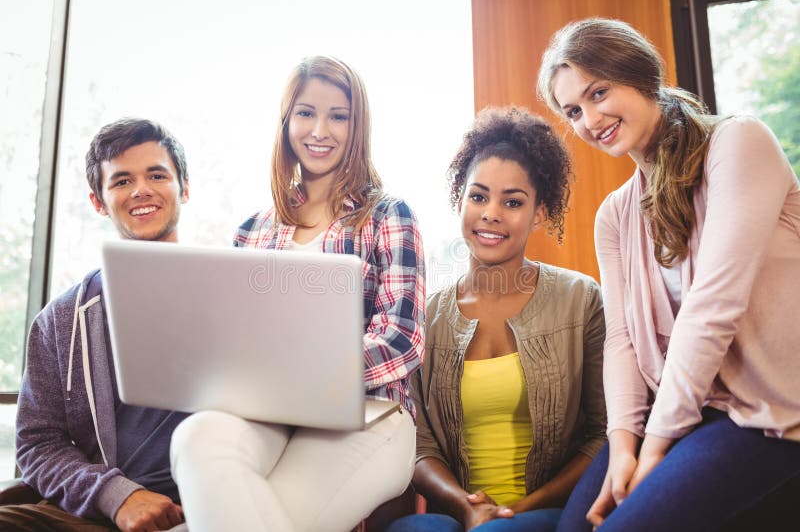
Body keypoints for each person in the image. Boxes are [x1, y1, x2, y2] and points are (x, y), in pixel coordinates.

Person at [537, 17, 800, 532]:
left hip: (772, 414)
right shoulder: (614, 215)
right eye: (573, 110)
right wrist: (623, 446)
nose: (590, 119)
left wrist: (655, 447)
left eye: (599, 92)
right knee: (573, 528)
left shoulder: (738, 144)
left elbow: (712, 306)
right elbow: (622, 342)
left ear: (639, 74)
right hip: (693, 410)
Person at [169, 56, 426, 532]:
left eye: (339, 116)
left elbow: (402, 339)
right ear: (286, 122)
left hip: (369, 416)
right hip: (269, 413)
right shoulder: (252, 231)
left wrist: (306, 372)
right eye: (306, 113)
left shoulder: (388, 215)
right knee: (195, 437)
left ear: (358, 124)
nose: (320, 130)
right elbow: (233, 341)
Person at [388, 107, 606, 532]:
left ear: (540, 213)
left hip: (548, 512)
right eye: (478, 196)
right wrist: (465, 507)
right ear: (460, 199)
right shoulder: (427, 316)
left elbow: (603, 434)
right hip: (459, 514)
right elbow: (419, 445)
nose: (491, 213)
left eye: (512, 202)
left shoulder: (579, 300)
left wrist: (517, 511)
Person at [2, 118, 191, 531]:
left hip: (209, 504)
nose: (141, 189)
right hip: (100, 510)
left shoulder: (233, 293)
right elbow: (38, 445)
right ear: (98, 202)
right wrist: (119, 497)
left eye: (157, 175)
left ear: (184, 188)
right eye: (122, 181)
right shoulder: (61, 320)